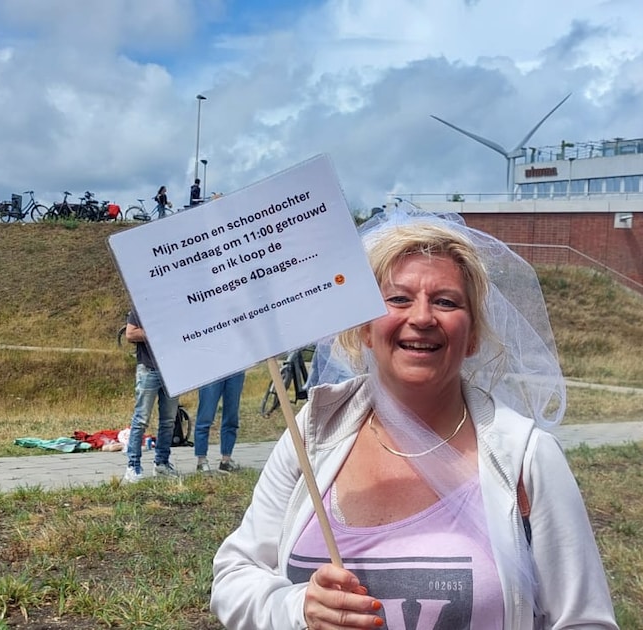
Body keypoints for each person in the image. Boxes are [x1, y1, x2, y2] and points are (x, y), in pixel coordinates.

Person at [211, 208, 616, 629]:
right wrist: (298, 610)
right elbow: (234, 576)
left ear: (473, 335)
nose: (422, 318)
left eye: (445, 301)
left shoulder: (526, 457)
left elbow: (585, 620)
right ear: (364, 328)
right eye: (398, 299)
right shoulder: (314, 433)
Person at [123, 305, 180, 482]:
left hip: (172, 368)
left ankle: (162, 463)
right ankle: (133, 466)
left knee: (169, 420)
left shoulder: (177, 307)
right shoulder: (140, 306)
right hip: (149, 368)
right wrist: (158, 332)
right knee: (141, 418)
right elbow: (130, 334)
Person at [194, 370, 245, 474]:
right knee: (205, 415)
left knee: (232, 415)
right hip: (211, 367)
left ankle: (226, 460)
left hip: (235, 367)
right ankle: (201, 460)